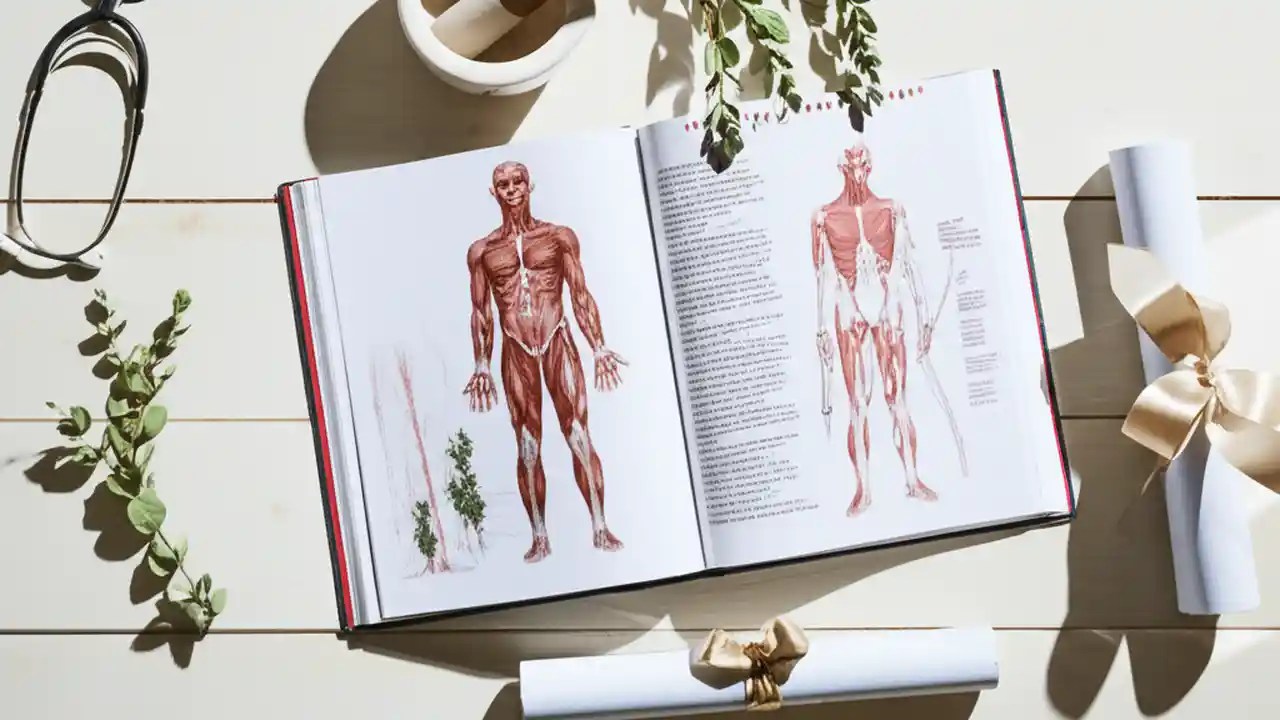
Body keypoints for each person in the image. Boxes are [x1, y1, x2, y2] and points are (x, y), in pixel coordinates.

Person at [463, 161, 628, 562]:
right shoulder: (482, 251)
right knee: (527, 446)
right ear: (493, 192)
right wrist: (482, 364)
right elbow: (481, 311)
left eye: (518, 181)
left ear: (530, 184)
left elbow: (580, 293)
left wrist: (599, 346)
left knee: (577, 434)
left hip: (557, 339)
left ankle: (600, 527)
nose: (512, 189)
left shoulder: (557, 236)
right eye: (503, 184)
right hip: (515, 347)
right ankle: (539, 536)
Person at [812, 143, 938, 515]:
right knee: (856, 405)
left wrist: (924, 315)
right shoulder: (824, 217)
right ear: (841, 168)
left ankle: (912, 479)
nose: (857, 172)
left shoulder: (891, 210)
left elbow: (908, 262)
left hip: (888, 307)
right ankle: (863, 489)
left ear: (870, 166)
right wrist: (821, 328)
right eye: (851, 166)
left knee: (897, 400)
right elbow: (822, 274)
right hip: (848, 307)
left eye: (862, 165)